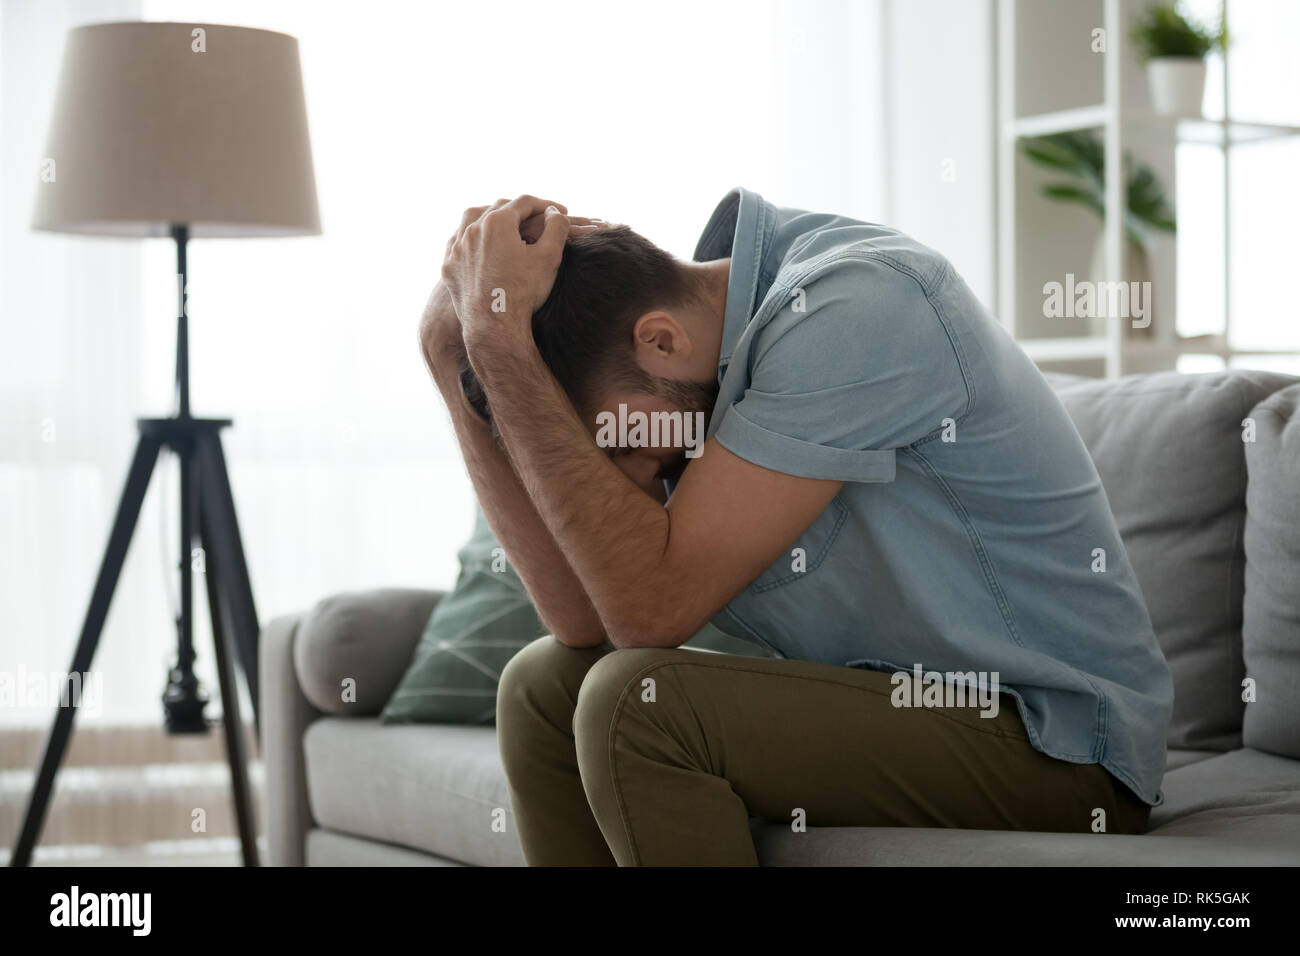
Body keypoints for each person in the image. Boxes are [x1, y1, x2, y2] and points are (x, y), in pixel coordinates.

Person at [418, 188, 1173, 866]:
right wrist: (451, 345)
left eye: (615, 440)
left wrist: (501, 342)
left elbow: (646, 612)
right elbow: (581, 619)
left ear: (659, 340)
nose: (627, 479)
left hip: (1060, 746)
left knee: (637, 704)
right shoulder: (701, 366)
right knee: (541, 686)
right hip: (906, 707)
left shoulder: (858, 304)